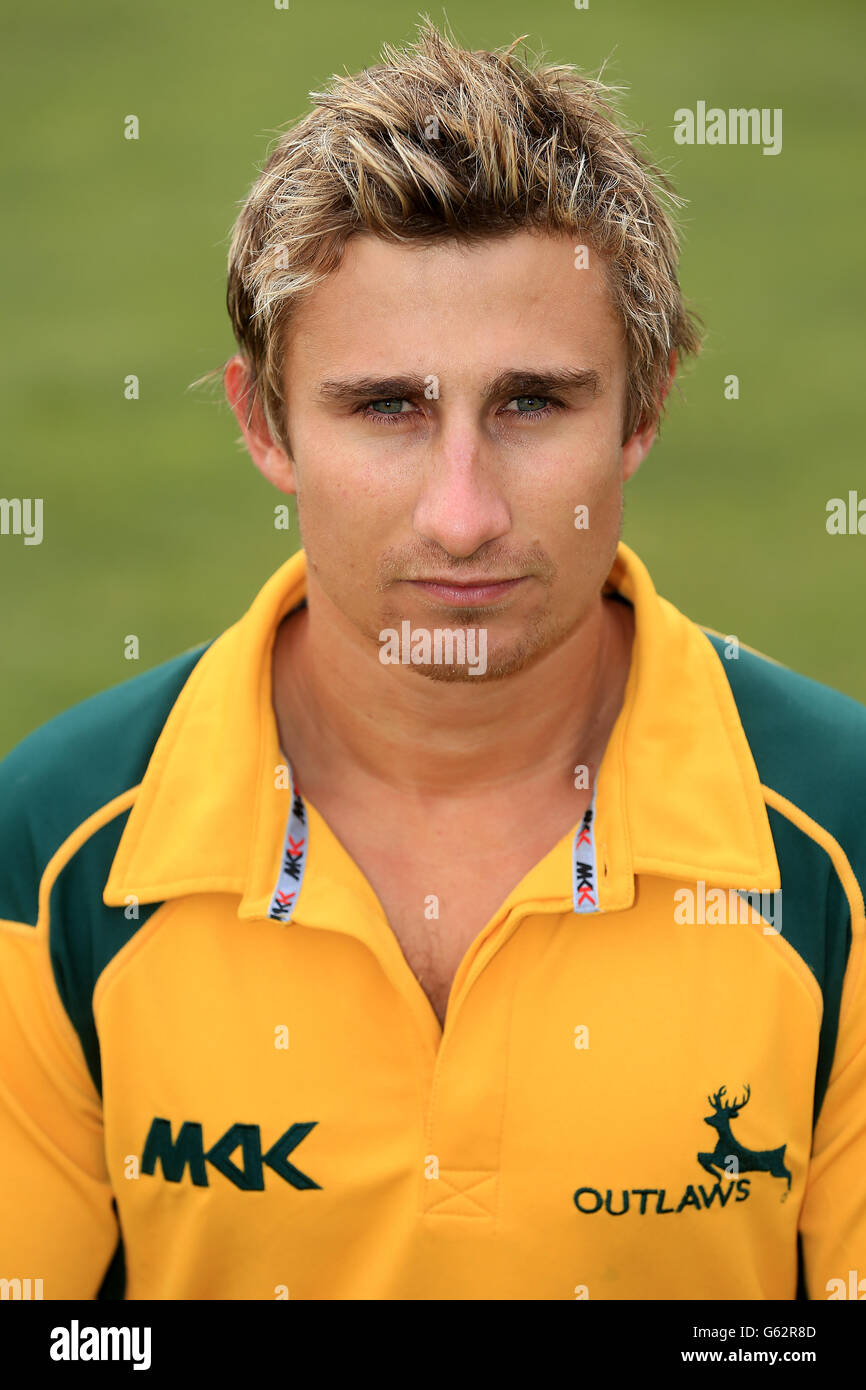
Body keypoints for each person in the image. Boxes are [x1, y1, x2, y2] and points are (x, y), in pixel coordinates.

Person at [1, 20, 864, 1302]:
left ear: (644, 408)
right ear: (263, 423)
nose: (461, 514)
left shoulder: (840, 830)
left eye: (530, 403)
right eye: (386, 408)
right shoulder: (54, 840)